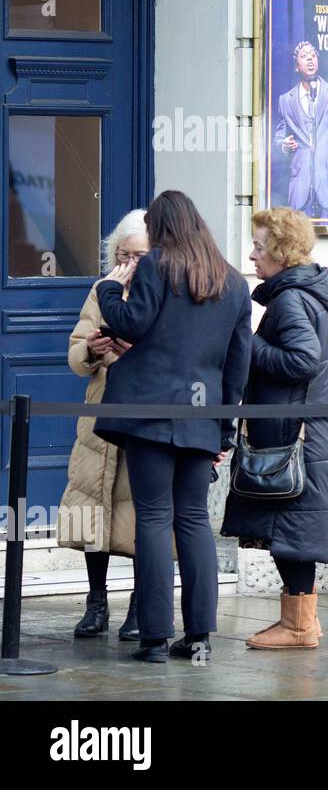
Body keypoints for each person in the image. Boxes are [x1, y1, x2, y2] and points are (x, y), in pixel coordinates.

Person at [94, 190, 252, 663]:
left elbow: (130, 323)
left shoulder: (156, 264)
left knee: (154, 519)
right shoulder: (234, 282)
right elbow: (236, 365)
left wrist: (108, 287)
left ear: (162, 227)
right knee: (194, 520)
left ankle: (154, 637)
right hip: (203, 416)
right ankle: (200, 635)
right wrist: (227, 428)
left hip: (149, 413)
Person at [221, 208, 328, 649]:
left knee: (292, 533)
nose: (252, 255)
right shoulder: (299, 292)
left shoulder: (290, 298)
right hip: (306, 433)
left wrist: (249, 341)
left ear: (279, 251)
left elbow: (300, 360)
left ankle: (298, 626)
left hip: (297, 438)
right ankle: (301, 621)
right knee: (293, 533)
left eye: (258, 247)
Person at [60, 209, 147, 642]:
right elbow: (76, 355)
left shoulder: (163, 289)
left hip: (140, 415)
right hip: (99, 416)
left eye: (138, 255)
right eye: (122, 254)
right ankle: (96, 601)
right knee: (93, 508)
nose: (129, 264)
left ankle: (139, 603)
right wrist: (92, 350)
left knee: (137, 514)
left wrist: (128, 350)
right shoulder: (101, 288)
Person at [273, 41, 328, 220]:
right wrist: (283, 144)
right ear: (297, 66)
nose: (310, 58)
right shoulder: (285, 100)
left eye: (313, 55)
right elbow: (278, 138)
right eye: (304, 56)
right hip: (300, 185)